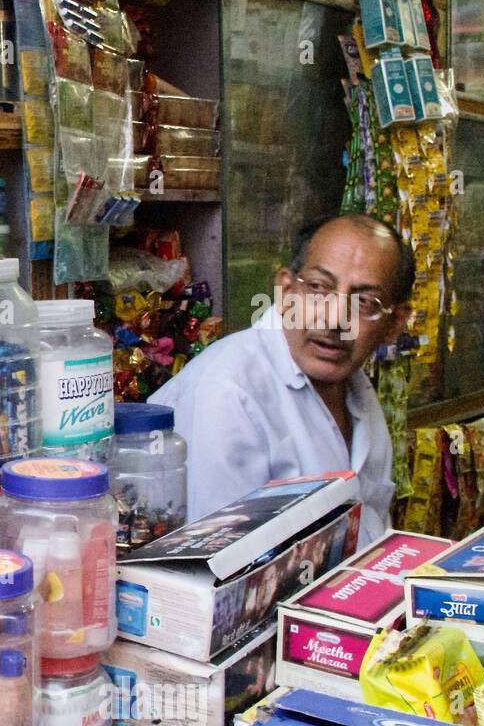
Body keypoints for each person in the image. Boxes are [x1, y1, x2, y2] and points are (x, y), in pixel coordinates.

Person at [150, 214, 413, 545]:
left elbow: (370, 521)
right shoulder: (227, 392)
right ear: (286, 290)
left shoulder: (355, 388)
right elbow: (219, 565)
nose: (334, 319)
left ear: (395, 323)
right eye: (318, 288)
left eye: (363, 303)